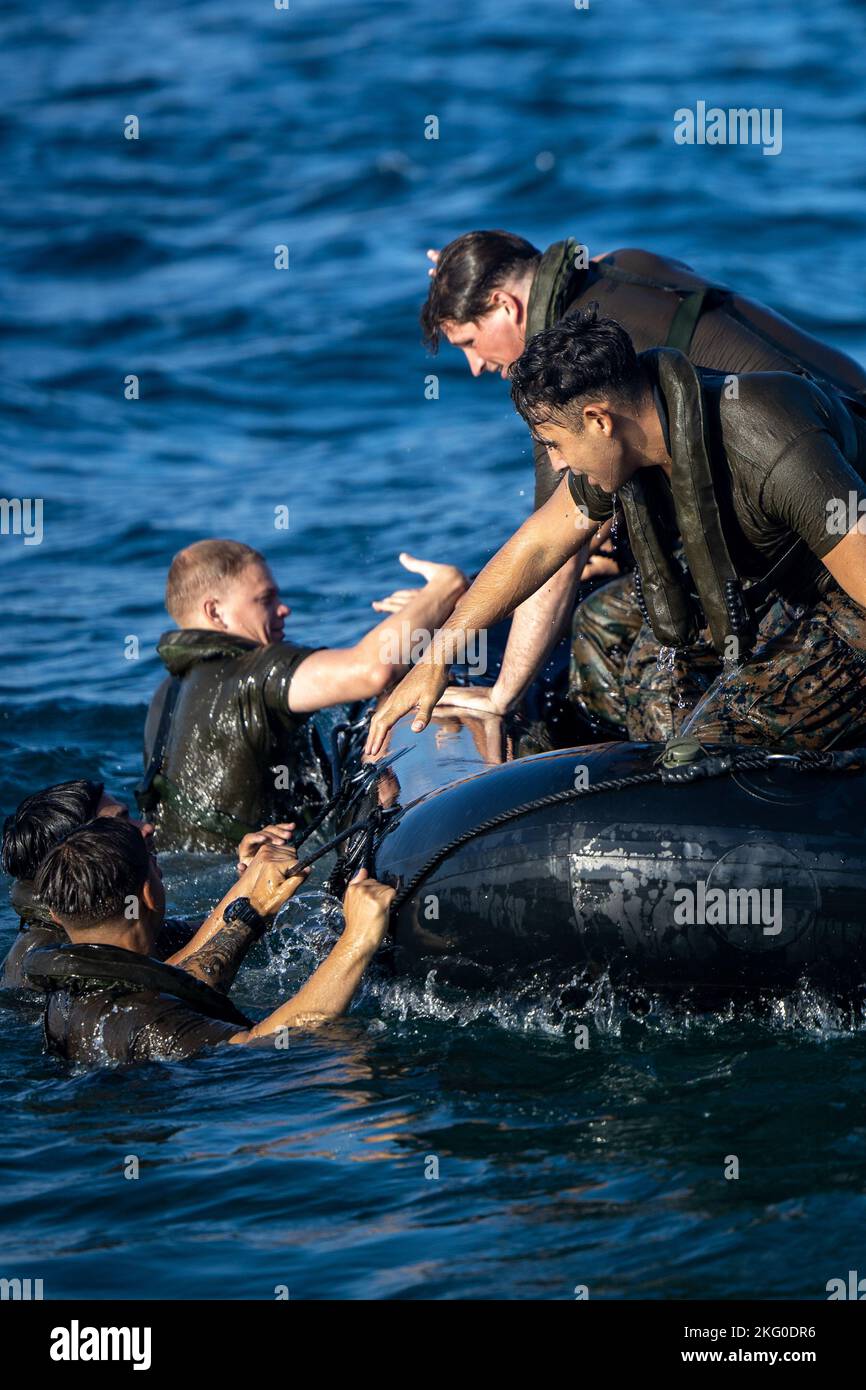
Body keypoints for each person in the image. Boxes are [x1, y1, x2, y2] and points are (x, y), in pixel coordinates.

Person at [366, 309, 866, 756]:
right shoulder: (633, 437)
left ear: (598, 420)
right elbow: (539, 544)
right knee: (604, 635)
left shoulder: (770, 440)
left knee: (710, 738)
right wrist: (435, 658)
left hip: (845, 595)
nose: (558, 464)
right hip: (777, 582)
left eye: (555, 445)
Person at [141, 539, 467, 851]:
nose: (284, 609)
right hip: (244, 877)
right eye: (265, 599)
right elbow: (370, 670)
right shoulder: (252, 672)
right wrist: (445, 587)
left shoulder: (167, 694)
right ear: (215, 612)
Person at [30, 818, 394, 1063]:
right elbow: (261, 1050)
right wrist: (357, 939)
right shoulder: (146, 1018)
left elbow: (184, 986)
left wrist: (253, 908)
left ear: (58, 915)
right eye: (155, 866)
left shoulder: (66, 997)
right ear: (149, 894)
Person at [0, 778, 295, 994]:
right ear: (81, 849)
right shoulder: (50, 949)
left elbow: (215, 937)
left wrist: (248, 883)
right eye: (122, 821)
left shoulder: (111, 913)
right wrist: (248, 898)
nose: (147, 827)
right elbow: (157, 987)